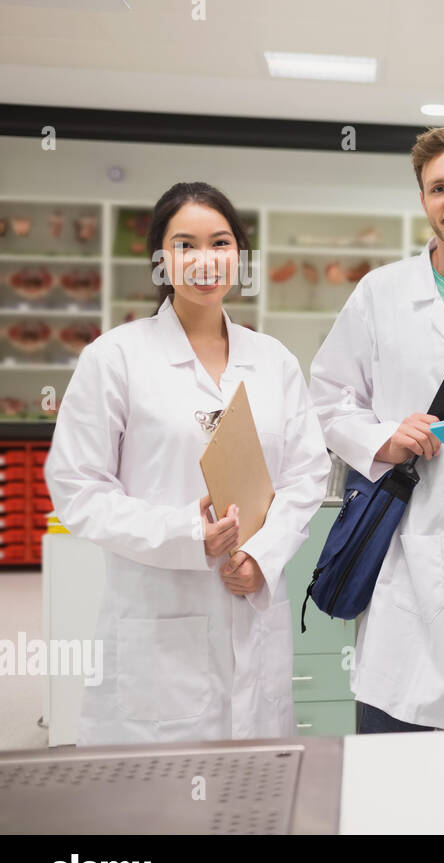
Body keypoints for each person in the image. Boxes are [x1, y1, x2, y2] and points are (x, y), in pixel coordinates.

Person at [45, 181, 330, 745]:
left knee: (253, 802)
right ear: (161, 260)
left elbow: (307, 476)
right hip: (158, 619)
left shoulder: (272, 361)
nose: (205, 261)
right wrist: (185, 533)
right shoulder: (117, 358)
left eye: (220, 242)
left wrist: (261, 556)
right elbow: (78, 489)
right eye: (185, 245)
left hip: (250, 605)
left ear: (239, 257)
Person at [310, 127, 444, 731]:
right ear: (424, 200)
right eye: (439, 188)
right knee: (394, 769)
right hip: (405, 549)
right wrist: (383, 437)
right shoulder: (381, 292)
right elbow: (327, 398)